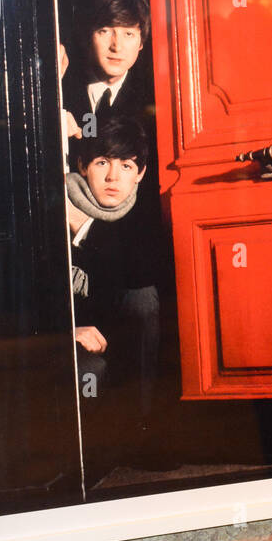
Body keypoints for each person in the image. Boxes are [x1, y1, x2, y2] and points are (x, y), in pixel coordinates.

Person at [67, 116, 161, 413]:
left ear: (140, 174)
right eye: (102, 163)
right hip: (67, 342)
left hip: (120, 342)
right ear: (82, 166)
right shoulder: (57, 202)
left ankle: (142, 424)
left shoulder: (142, 215)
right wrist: (66, 329)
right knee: (89, 375)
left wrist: (83, 228)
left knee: (143, 298)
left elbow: (137, 275)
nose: (113, 177)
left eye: (126, 166)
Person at [61, 0, 152, 152]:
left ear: (141, 42)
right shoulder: (62, 83)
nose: (116, 46)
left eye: (128, 34)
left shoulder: (150, 99)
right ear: (88, 36)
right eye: (105, 31)